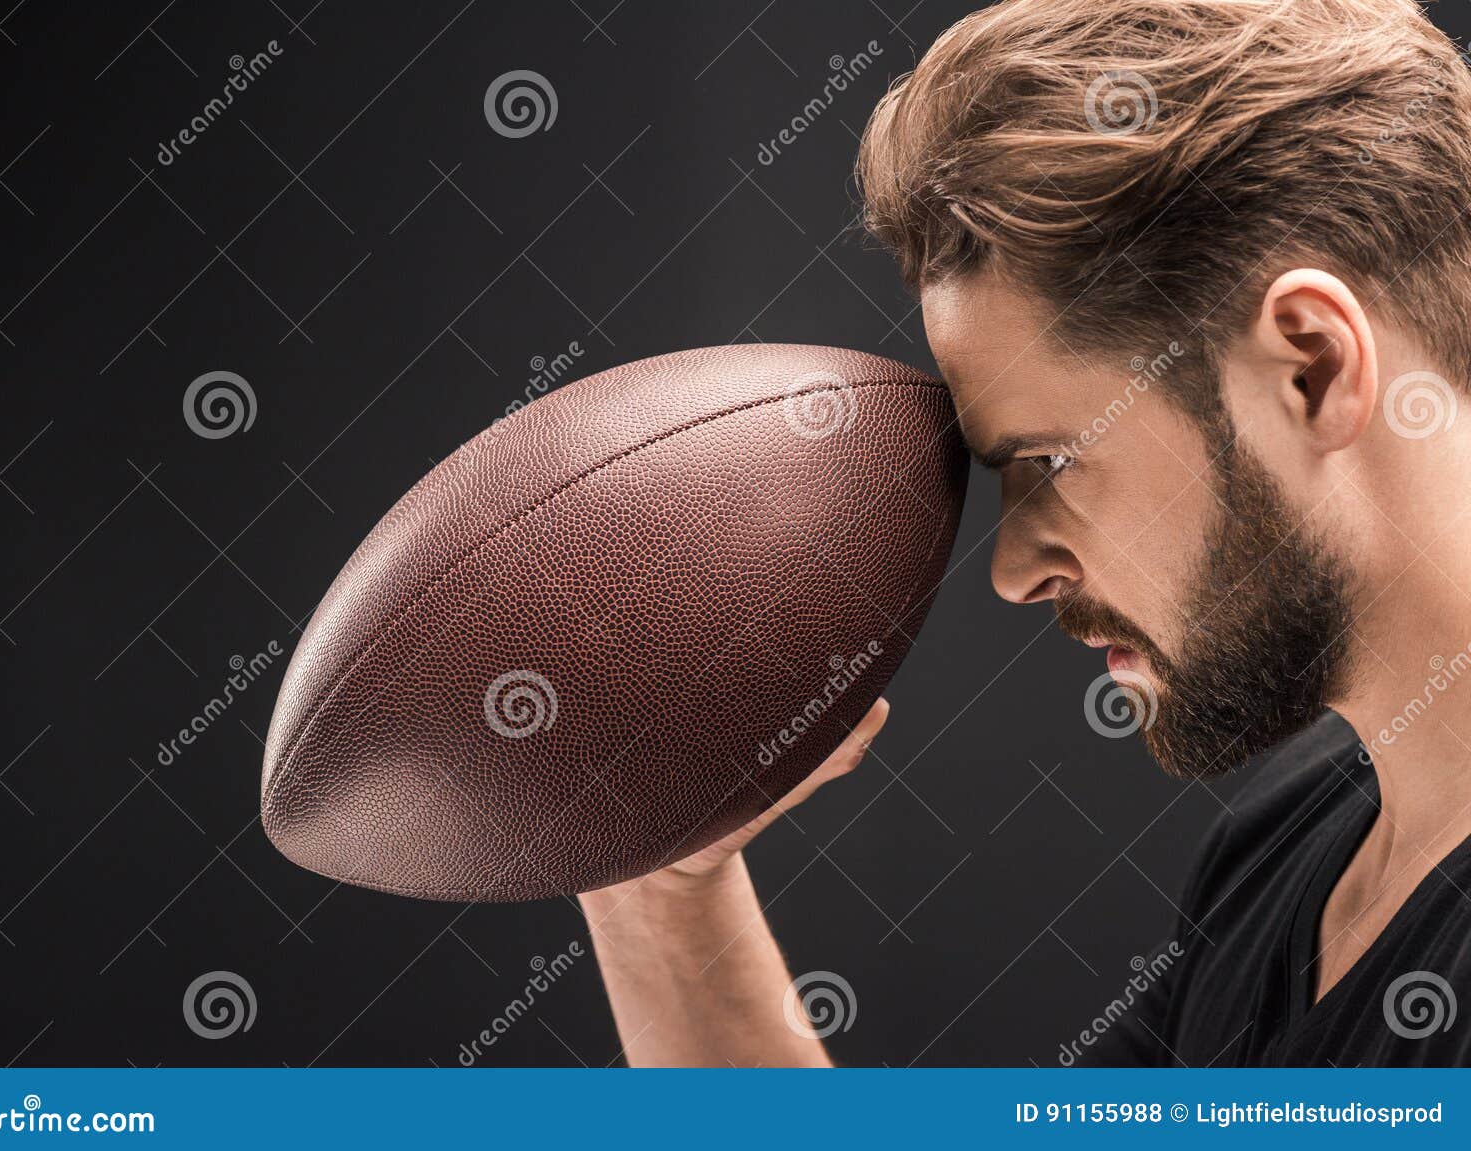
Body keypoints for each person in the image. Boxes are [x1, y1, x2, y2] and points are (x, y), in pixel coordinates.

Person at [580, 0, 1471, 1065]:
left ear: (1310, 367)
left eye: (1049, 459)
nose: (1010, 573)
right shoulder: (1294, 836)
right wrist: (658, 892)